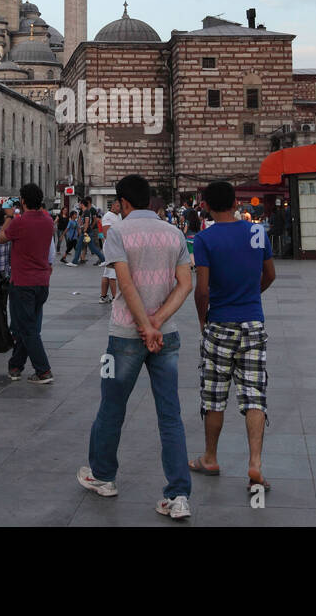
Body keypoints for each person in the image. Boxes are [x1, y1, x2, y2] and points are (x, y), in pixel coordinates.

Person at [79, 174, 194, 520]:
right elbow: (185, 284)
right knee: (170, 414)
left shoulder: (118, 233)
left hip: (126, 336)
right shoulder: (174, 233)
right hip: (166, 335)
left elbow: (125, 285)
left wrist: (144, 324)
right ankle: (178, 495)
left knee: (112, 407)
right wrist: (158, 321)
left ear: (124, 203)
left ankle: (103, 476)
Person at [189, 180, 276, 493]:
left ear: (209, 206)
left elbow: (202, 289)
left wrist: (204, 318)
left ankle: (210, 457)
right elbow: (270, 275)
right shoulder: (257, 233)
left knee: (215, 394)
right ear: (235, 202)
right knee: (254, 393)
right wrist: (252, 295)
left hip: (220, 323)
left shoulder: (205, 239)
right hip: (253, 321)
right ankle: (255, 463)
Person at [0, 184, 55, 384]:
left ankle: (43, 370)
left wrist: (8, 217)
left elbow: (2, 238)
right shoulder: (49, 221)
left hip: (23, 282)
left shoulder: (19, 222)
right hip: (42, 282)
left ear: (22, 201)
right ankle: (15, 366)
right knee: (26, 326)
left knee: (27, 329)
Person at [98, 199, 123, 303]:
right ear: (112, 206)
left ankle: (103, 296)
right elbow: (106, 233)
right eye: (117, 206)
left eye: (120, 206)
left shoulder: (119, 216)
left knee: (107, 272)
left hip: (117, 246)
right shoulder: (108, 216)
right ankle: (115, 297)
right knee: (113, 273)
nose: (119, 208)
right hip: (111, 247)